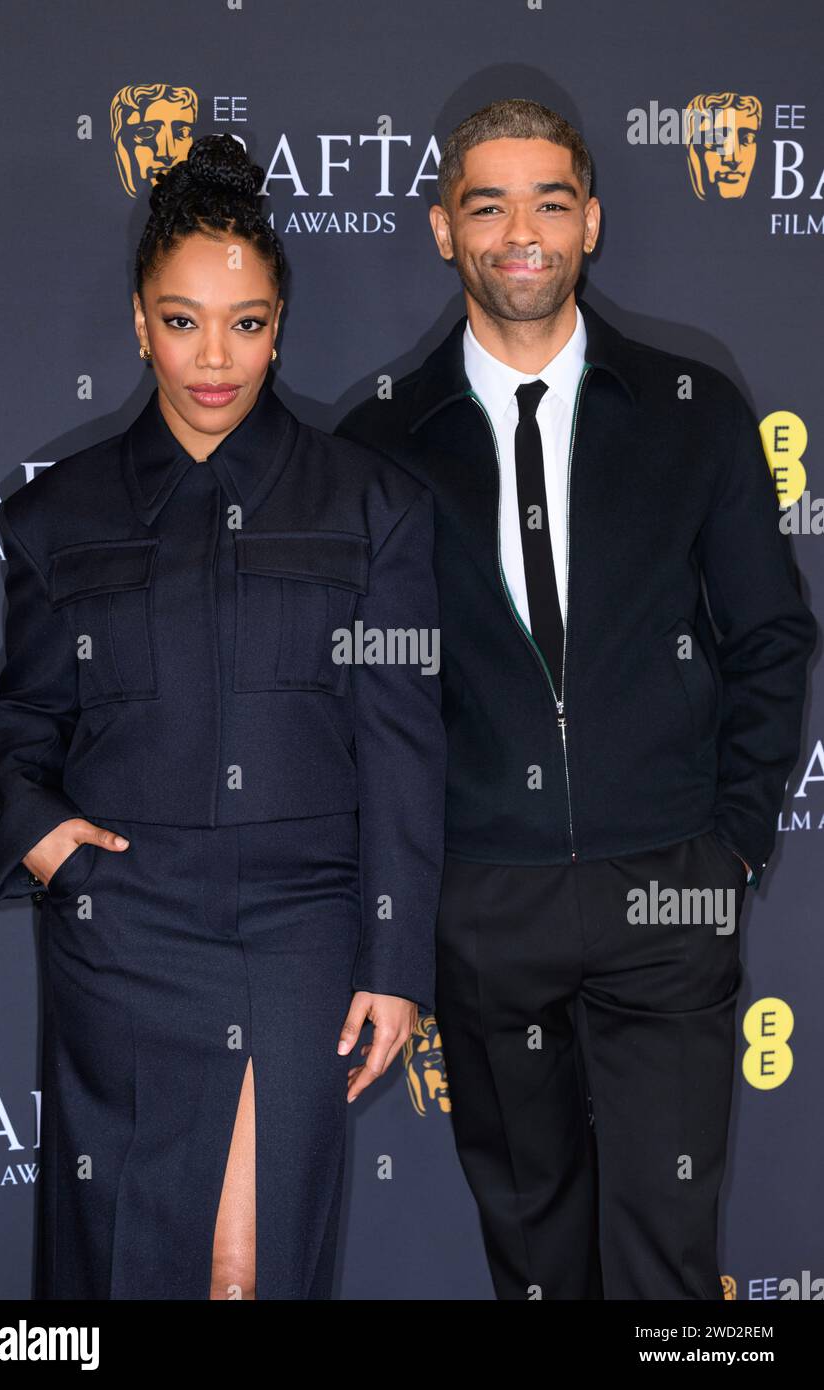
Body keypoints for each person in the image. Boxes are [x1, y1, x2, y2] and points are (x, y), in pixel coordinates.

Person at [336, 98, 817, 1300]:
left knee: (670, 1263)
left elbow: (770, 637)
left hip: (668, 889)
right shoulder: (381, 446)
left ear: (590, 220)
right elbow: (363, 692)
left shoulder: (693, 409)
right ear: (444, 229)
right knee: (539, 1263)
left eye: (550, 200)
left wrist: (734, 852)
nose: (521, 231)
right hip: (486, 907)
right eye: (487, 202)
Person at [0, 133, 446, 1301]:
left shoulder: (376, 506)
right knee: (128, 1263)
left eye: (245, 321)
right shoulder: (53, 515)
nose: (214, 357)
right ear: (140, 322)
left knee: (249, 1264)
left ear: (280, 324)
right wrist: (36, 823)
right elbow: (20, 716)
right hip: (125, 924)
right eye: (183, 320)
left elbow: (402, 747)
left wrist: (394, 959)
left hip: (302, 925)